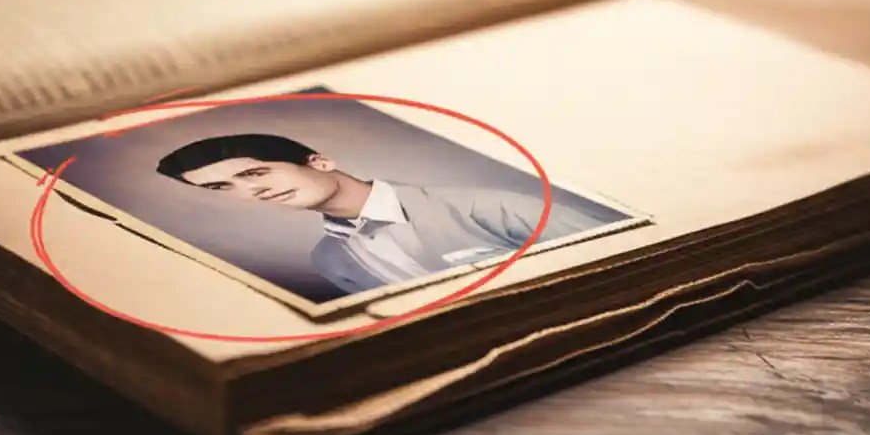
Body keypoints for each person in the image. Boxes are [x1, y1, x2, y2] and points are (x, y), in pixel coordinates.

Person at [157, 133, 619, 294]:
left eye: (256, 172)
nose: (252, 192)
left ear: (318, 161)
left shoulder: (484, 204)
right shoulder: (328, 261)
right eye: (224, 188)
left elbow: (621, 255)